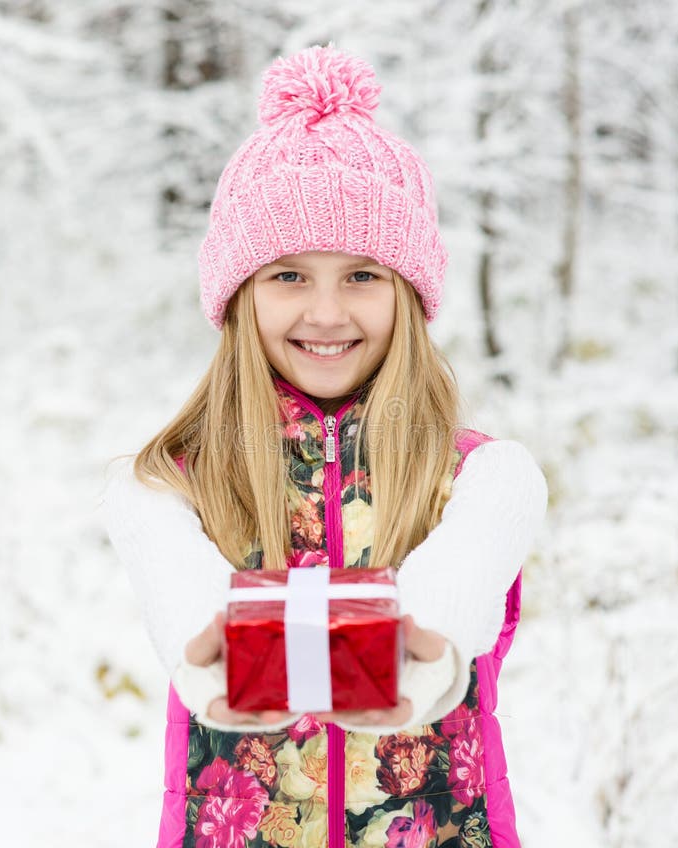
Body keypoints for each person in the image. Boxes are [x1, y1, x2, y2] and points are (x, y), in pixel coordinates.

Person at [100, 44, 548, 848]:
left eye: (364, 275)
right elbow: (189, 618)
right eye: (289, 276)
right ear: (237, 295)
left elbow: (457, 590)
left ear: (411, 294)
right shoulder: (165, 488)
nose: (328, 312)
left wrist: (422, 647)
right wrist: (218, 659)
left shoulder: (485, 481)